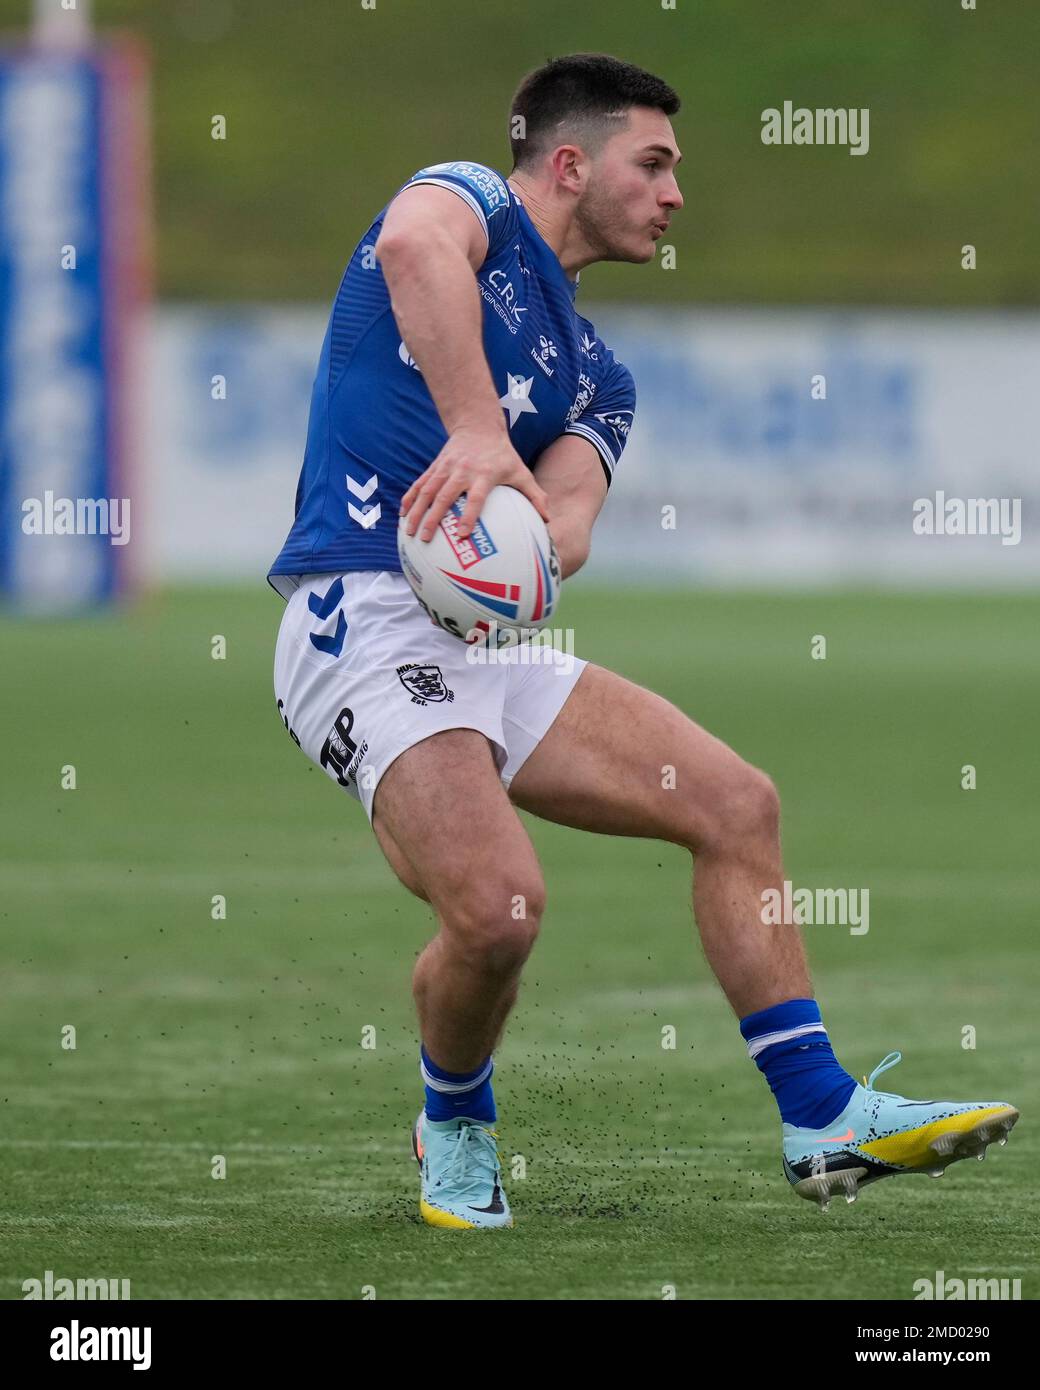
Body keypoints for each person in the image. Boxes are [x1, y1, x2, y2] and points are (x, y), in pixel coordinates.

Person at [269, 54, 1018, 1229]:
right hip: (357, 620)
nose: (675, 195)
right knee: (499, 910)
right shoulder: (463, 200)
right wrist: (473, 430)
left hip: (484, 642)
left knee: (735, 802)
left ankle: (818, 1111)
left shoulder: (597, 376)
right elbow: (414, 254)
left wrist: (523, 542)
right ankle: (454, 1121)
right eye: (654, 164)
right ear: (567, 162)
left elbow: (561, 529)